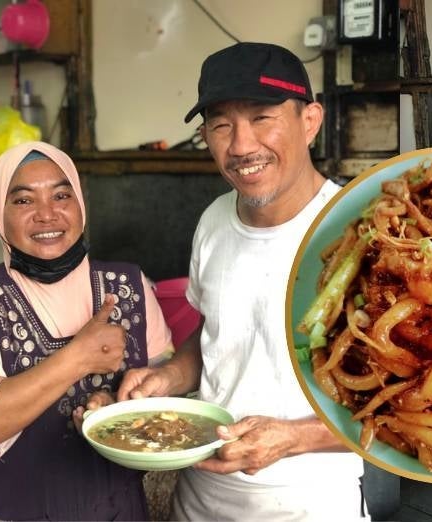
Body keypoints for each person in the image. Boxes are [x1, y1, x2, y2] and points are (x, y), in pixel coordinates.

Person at [117, 42, 365, 520]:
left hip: (311, 502)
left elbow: (402, 410)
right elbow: (217, 333)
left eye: (262, 117)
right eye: (221, 125)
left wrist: (295, 437)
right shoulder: (213, 219)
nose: (241, 146)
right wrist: (169, 376)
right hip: (200, 498)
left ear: (310, 121)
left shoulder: (358, 231)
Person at [0, 141, 174, 520]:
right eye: (24, 200)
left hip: (116, 510)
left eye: (61, 195)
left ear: (80, 205)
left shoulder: (130, 285)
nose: (47, 214)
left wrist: (118, 404)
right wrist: (78, 358)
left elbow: (167, 393)